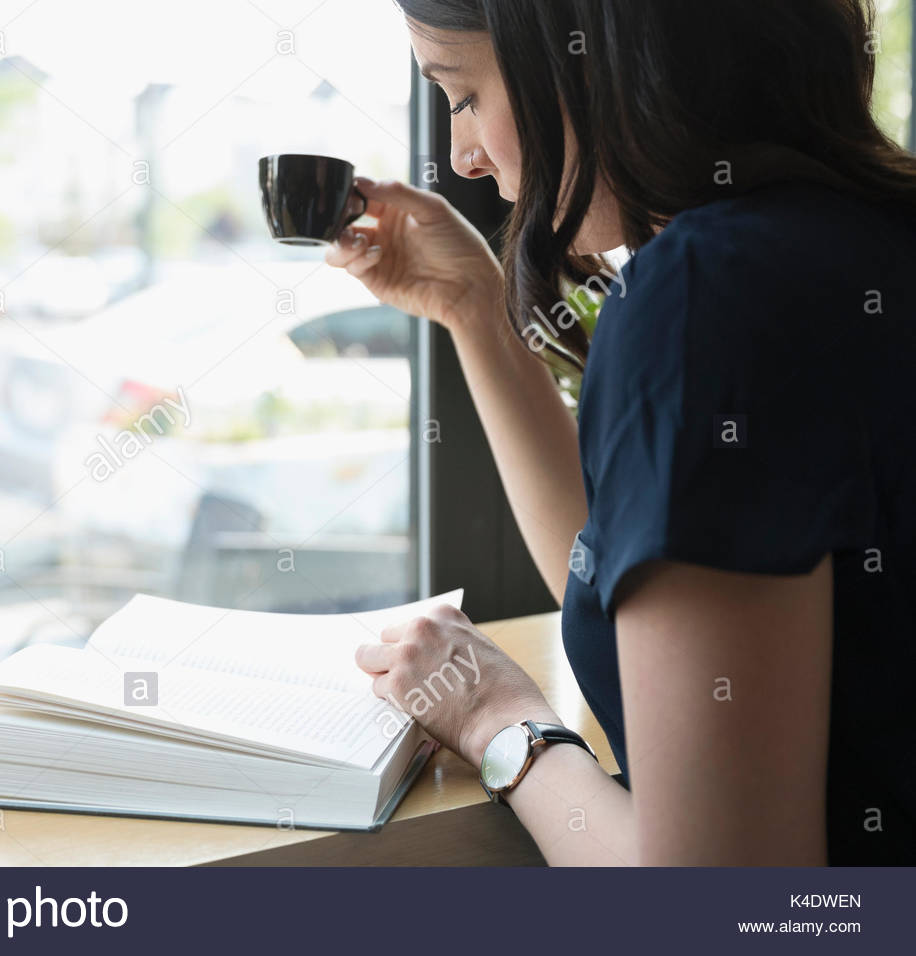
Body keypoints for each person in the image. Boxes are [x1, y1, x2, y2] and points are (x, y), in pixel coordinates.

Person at [336, 0, 916, 865]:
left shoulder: (708, 297)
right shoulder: (860, 239)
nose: (463, 153)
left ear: (589, 57)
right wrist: (472, 307)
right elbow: (651, 573)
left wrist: (500, 720)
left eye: (461, 94)